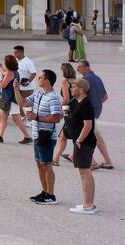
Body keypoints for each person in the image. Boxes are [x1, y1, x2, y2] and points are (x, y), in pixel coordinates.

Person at [25, 69, 64, 205]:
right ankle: (45, 191)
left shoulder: (53, 97)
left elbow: (56, 118)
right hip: (37, 134)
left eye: (40, 77)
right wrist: (16, 89)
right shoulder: (40, 93)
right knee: (39, 164)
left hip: (47, 136)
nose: (38, 79)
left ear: (47, 81)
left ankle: (51, 195)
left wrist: (36, 117)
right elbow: (24, 103)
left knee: (47, 164)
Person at [74, 59, 114, 169]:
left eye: (79, 67)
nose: (77, 69)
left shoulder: (86, 80)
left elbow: (81, 96)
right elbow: (105, 96)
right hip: (96, 112)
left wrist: (87, 108)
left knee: (90, 136)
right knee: (95, 136)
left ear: (86, 67)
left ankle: (94, 162)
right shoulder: (97, 78)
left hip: (88, 114)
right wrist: (97, 105)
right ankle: (105, 161)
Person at [66, 77, 98, 214]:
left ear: (81, 89)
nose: (71, 89)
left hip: (84, 142)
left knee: (85, 172)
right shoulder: (80, 103)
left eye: (73, 87)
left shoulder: (85, 104)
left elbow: (88, 125)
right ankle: (87, 203)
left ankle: (88, 205)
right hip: (81, 142)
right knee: (83, 172)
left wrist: (79, 140)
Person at [13, 46, 37, 144]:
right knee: (19, 102)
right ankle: (24, 117)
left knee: (27, 104)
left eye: (15, 52)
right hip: (18, 87)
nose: (14, 54)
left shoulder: (28, 62)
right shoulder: (16, 61)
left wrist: (28, 82)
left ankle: (30, 120)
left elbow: (33, 73)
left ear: (21, 52)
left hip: (27, 87)